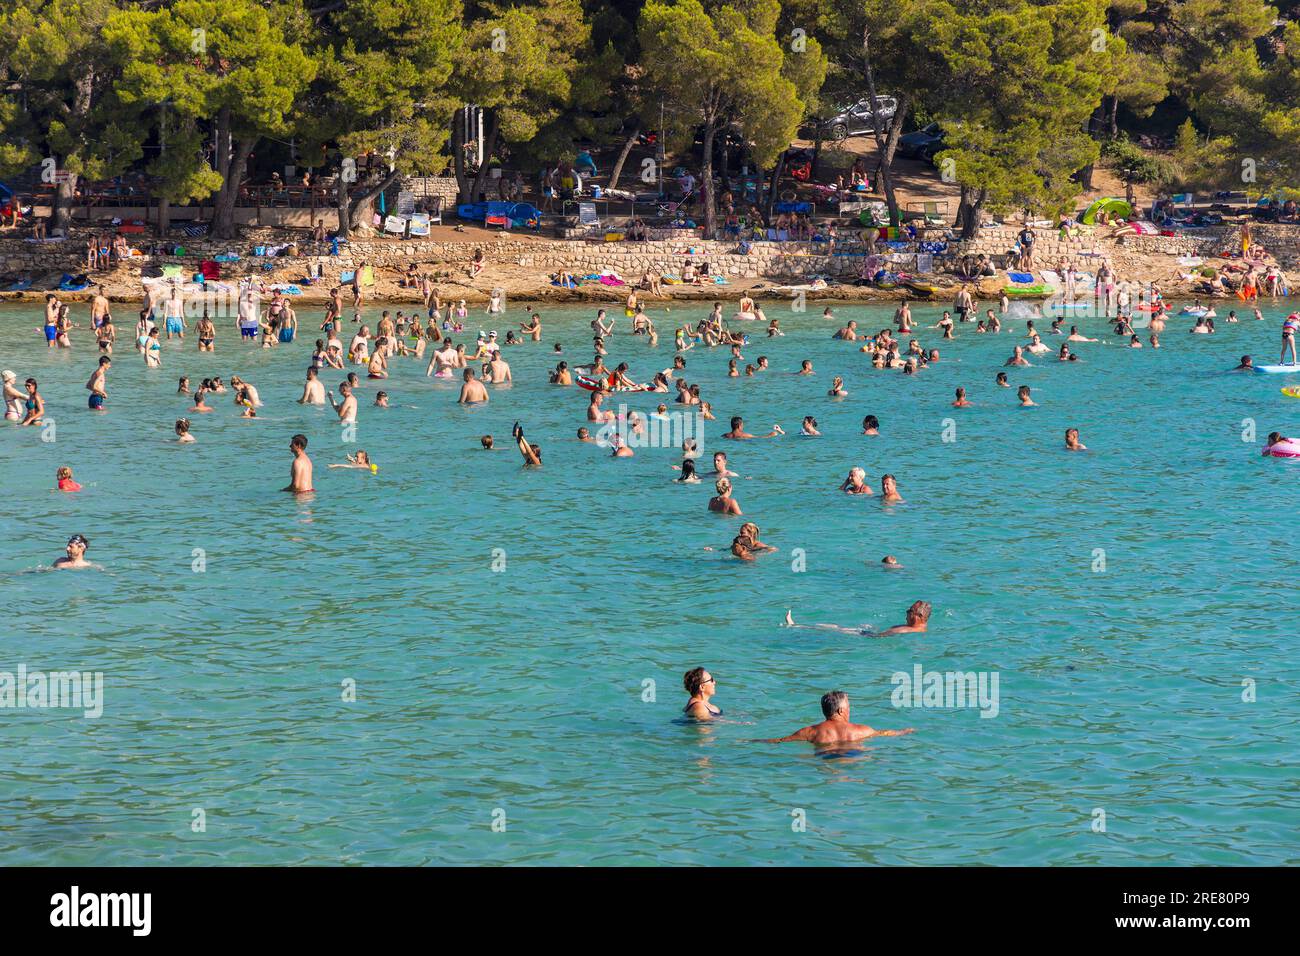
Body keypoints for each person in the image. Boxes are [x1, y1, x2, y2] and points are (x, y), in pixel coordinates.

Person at [759, 691, 914, 746]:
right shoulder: (862, 730)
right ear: (840, 710)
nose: (849, 709)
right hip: (853, 759)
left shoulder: (810, 732)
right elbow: (884, 733)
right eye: (848, 706)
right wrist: (905, 731)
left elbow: (780, 741)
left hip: (827, 760)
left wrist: (752, 741)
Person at [782, 600, 931, 636]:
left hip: (869, 637)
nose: (906, 613)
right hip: (873, 634)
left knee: (836, 628)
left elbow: (879, 637)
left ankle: (796, 625)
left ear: (919, 616)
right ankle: (798, 625)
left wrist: (865, 633)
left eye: (909, 611)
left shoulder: (905, 631)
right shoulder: (921, 629)